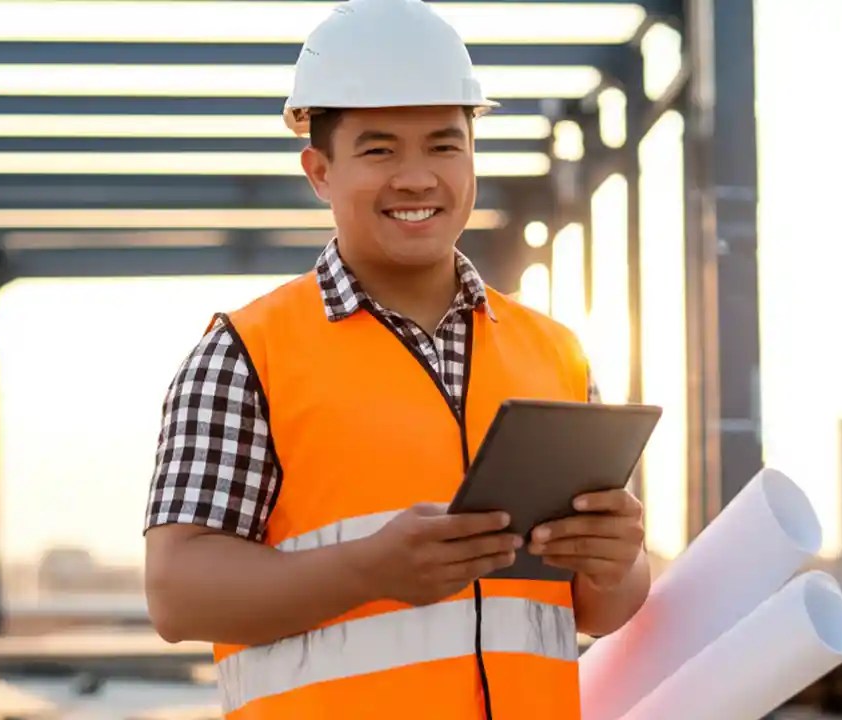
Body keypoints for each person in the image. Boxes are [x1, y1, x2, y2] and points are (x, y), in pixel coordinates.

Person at [142, 1, 650, 717]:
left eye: (444, 146)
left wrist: (618, 560)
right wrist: (367, 570)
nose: (417, 178)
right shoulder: (246, 355)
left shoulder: (556, 354)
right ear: (319, 171)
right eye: (380, 151)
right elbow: (177, 596)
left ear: (472, 156)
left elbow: (601, 608)